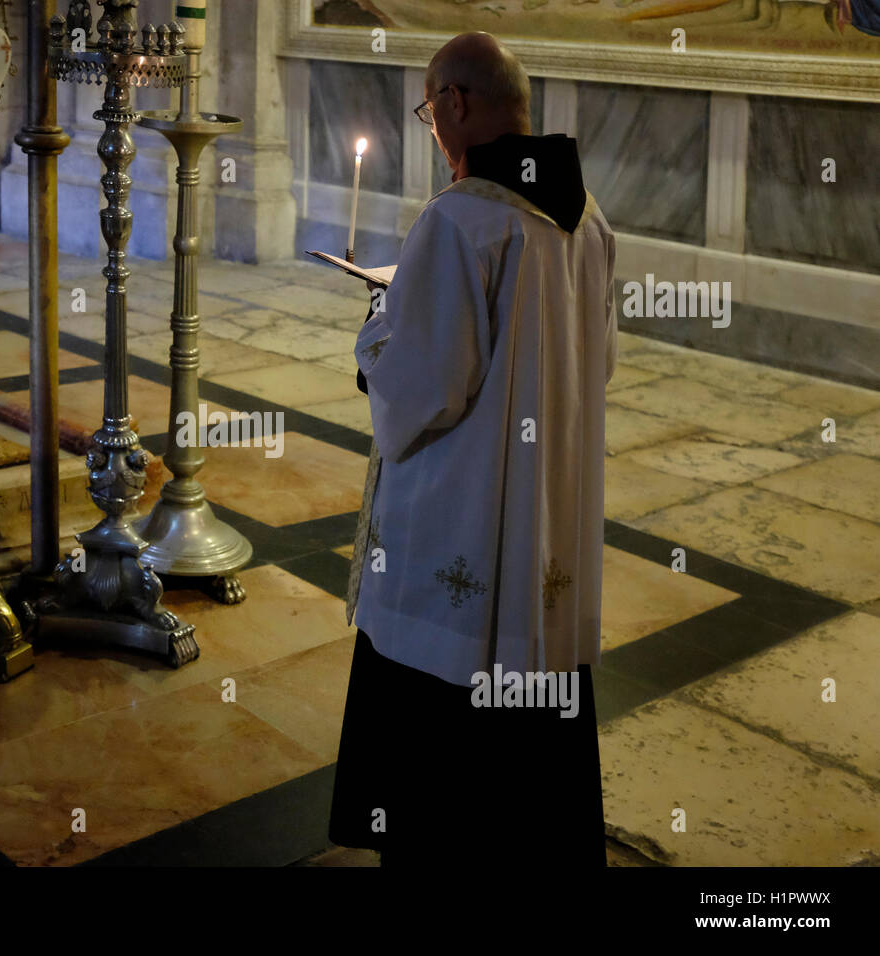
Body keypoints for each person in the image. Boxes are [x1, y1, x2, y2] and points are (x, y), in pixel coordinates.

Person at [328, 32, 617, 868]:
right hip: (546, 516)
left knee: (442, 723)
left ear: (455, 102)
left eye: (430, 112)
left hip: (459, 516)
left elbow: (426, 389)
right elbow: (594, 363)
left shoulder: (460, 220)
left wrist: (375, 332)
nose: (434, 131)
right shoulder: (588, 216)